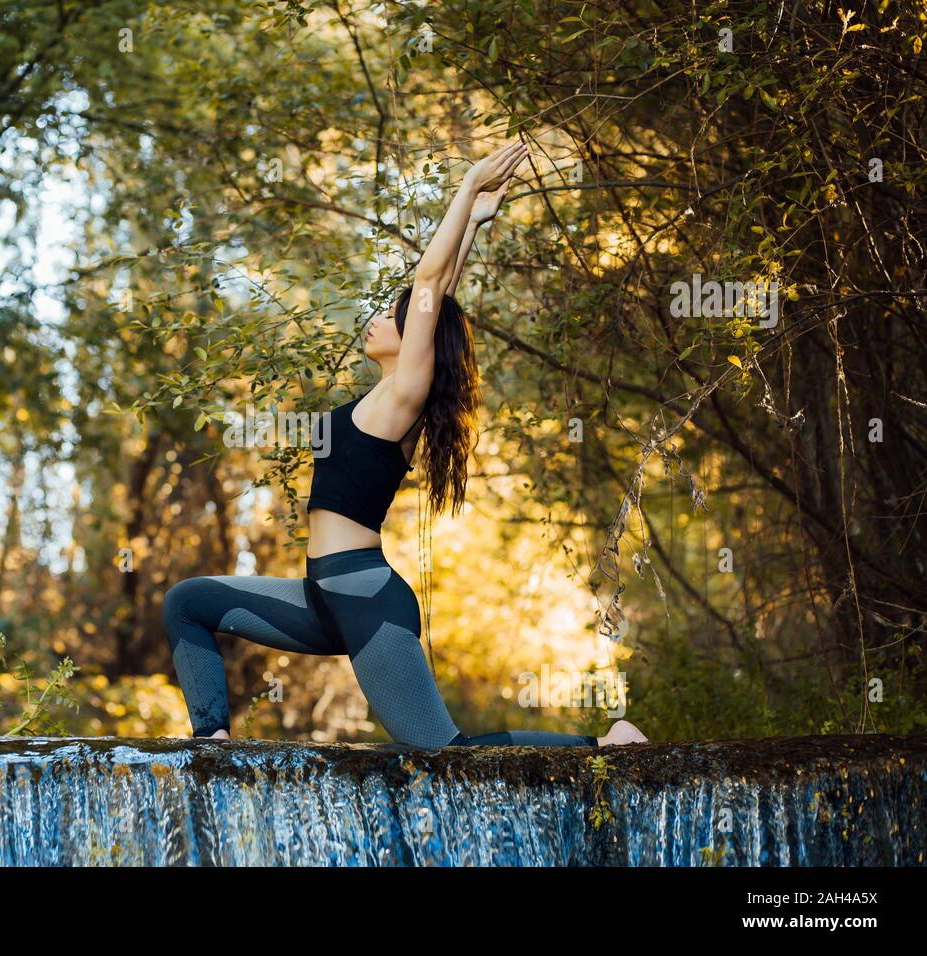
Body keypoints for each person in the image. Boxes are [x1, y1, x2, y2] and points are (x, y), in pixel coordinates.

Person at [163, 142, 647, 749]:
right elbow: (437, 287)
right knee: (187, 601)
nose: (378, 320)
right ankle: (212, 744)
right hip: (318, 596)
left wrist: (468, 184)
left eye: (394, 318)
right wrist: (472, 222)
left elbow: (428, 286)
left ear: (417, 342)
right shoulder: (383, 397)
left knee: (441, 752)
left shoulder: (403, 401)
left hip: (365, 596)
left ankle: (606, 745)